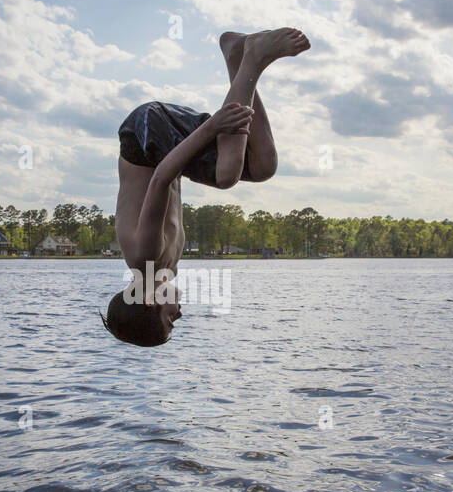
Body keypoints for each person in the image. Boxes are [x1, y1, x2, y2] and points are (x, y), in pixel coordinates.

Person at [103, 28, 310, 346]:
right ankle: (236, 57)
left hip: (145, 130)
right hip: (161, 148)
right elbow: (171, 177)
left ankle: (252, 57)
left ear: (149, 302)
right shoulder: (166, 268)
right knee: (262, 165)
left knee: (227, 174)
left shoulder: (144, 256)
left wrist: (215, 125)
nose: (180, 314)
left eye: (169, 318)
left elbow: (160, 179)